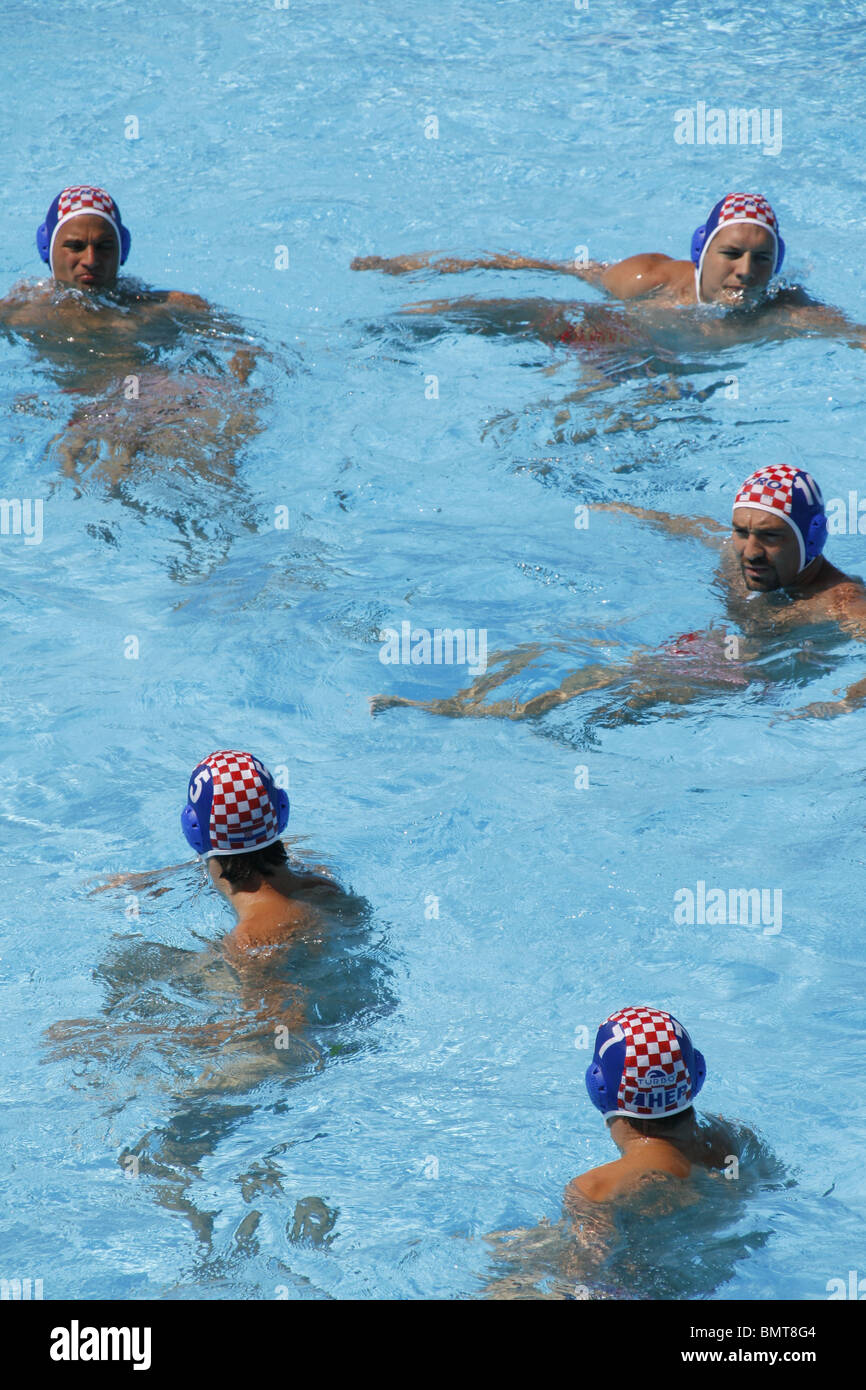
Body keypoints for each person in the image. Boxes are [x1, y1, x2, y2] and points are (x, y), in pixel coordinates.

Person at [371, 465, 866, 723]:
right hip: (715, 648)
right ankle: (456, 704)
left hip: (760, 678)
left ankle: (472, 720)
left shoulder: (841, 601)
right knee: (557, 644)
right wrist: (627, 512)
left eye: (771, 537)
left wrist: (841, 702)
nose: (750, 552)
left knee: (625, 690)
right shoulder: (734, 552)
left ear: (813, 538)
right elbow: (686, 527)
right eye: (741, 532)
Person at [352, 192, 863, 345]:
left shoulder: (787, 310)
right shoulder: (652, 277)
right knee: (533, 309)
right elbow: (549, 266)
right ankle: (398, 325)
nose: (747, 271)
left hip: (660, 374)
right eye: (732, 254)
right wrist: (414, 265)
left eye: (762, 259)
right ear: (702, 252)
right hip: (603, 334)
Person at [565, 1006, 739, 1206]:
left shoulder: (595, 1191)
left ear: (598, 1088)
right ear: (697, 1076)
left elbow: (588, 1237)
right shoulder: (732, 1142)